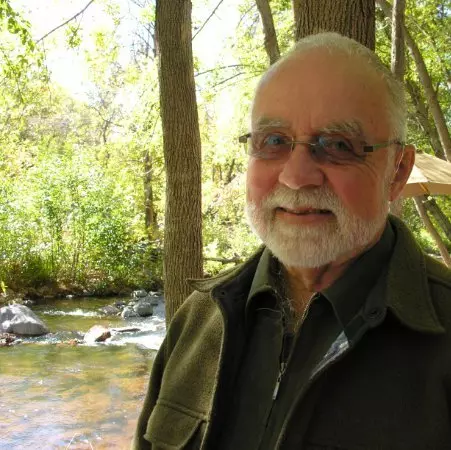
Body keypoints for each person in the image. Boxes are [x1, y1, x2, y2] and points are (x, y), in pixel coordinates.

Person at [132, 32, 451, 450]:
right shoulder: (199, 320)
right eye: (274, 142)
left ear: (397, 170)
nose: (297, 176)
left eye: (338, 145)